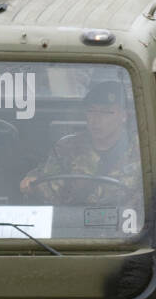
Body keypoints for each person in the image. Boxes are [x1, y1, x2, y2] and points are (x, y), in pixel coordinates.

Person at [20, 79, 142, 208]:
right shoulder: (67, 147)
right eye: (91, 111)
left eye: (106, 112)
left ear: (123, 116)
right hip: (73, 223)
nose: (96, 119)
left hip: (124, 224)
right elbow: (44, 179)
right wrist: (32, 183)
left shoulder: (142, 150)